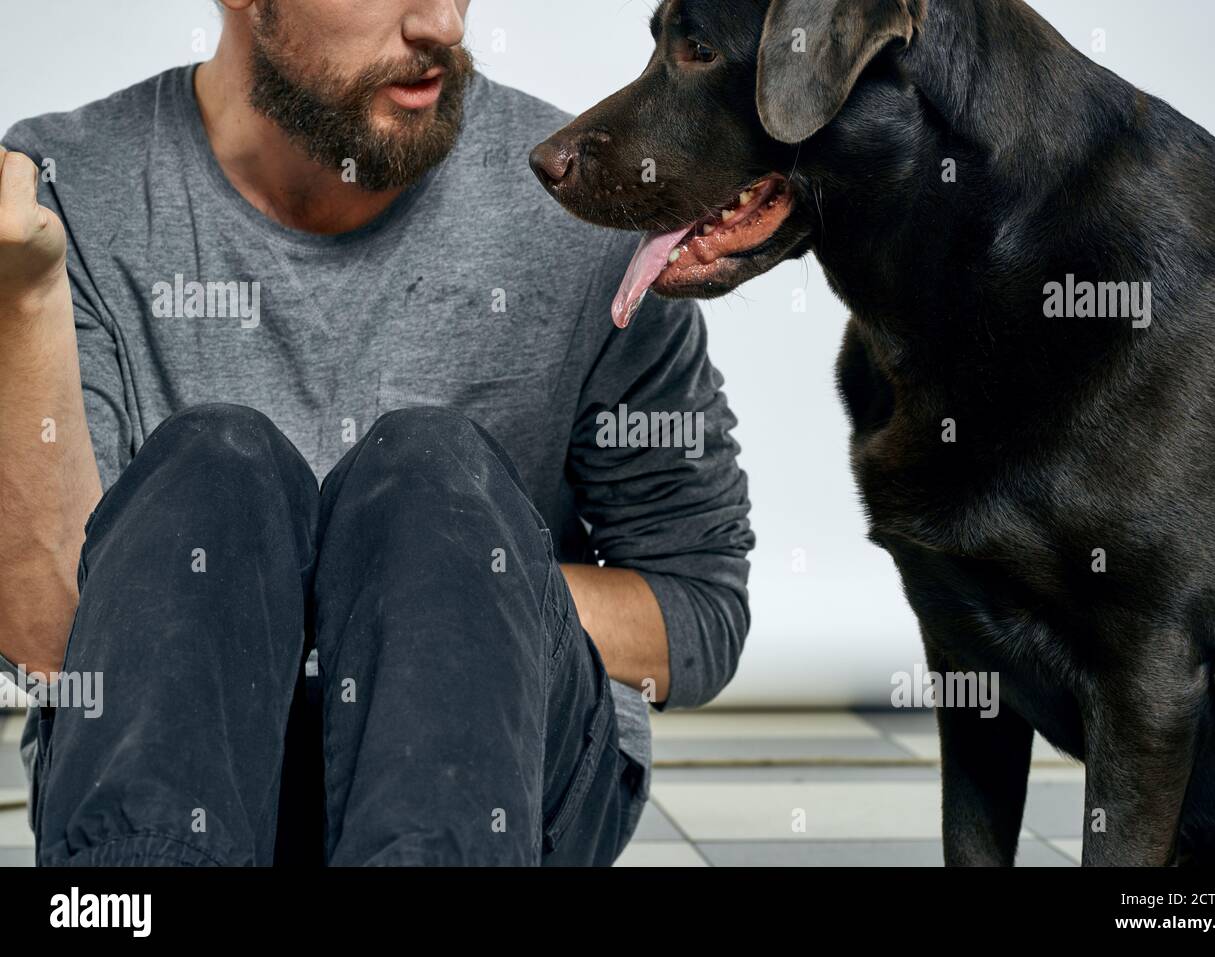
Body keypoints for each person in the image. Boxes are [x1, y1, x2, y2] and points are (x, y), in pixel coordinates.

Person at [0, 0, 753, 866]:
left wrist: (434, 578)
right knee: (214, 465)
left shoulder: (583, 194)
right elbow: (47, 643)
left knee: (426, 483)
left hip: (499, 792)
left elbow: (700, 609)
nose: (443, 22)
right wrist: (18, 304)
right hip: (172, 786)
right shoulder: (64, 193)